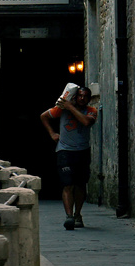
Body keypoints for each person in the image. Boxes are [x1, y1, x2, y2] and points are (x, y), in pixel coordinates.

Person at [42, 85, 97, 229]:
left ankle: (78, 214)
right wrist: (52, 134)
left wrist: (70, 107)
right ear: (75, 96)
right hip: (64, 151)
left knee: (80, 185)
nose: (82, 98)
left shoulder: (92, 111)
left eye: (85, 96)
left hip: (82, 151)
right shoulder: (62, 110)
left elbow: (85, 122)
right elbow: (44, 116)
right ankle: (69, 216)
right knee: (67, 184)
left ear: (89, 99)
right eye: (79, 95)